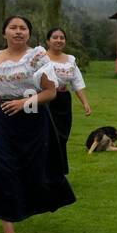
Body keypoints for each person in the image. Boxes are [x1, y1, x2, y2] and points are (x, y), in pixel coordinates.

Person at [0, 15, 76, 233]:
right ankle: (8, 231)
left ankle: (36, 201)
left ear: (29, 33)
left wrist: (23, 103)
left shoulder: (37, 57)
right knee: (0, 168)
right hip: (4, 120)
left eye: (23, 28)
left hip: (33, 121)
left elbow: (51, 92)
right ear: (4, 32)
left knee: (32, 170)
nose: (18, 31)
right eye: (13, 27)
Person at [42, 27, 92, 173]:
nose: (59, 40)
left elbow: (77, 82)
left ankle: (59, 170)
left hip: (63, 100)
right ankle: (44, 170)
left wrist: (85, 103)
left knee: (62, 135)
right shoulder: (40, 58)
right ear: (48, 40)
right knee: (47, 136)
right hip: (45, 100)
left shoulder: (70, 60)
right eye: (55, 37)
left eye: (62, 38)